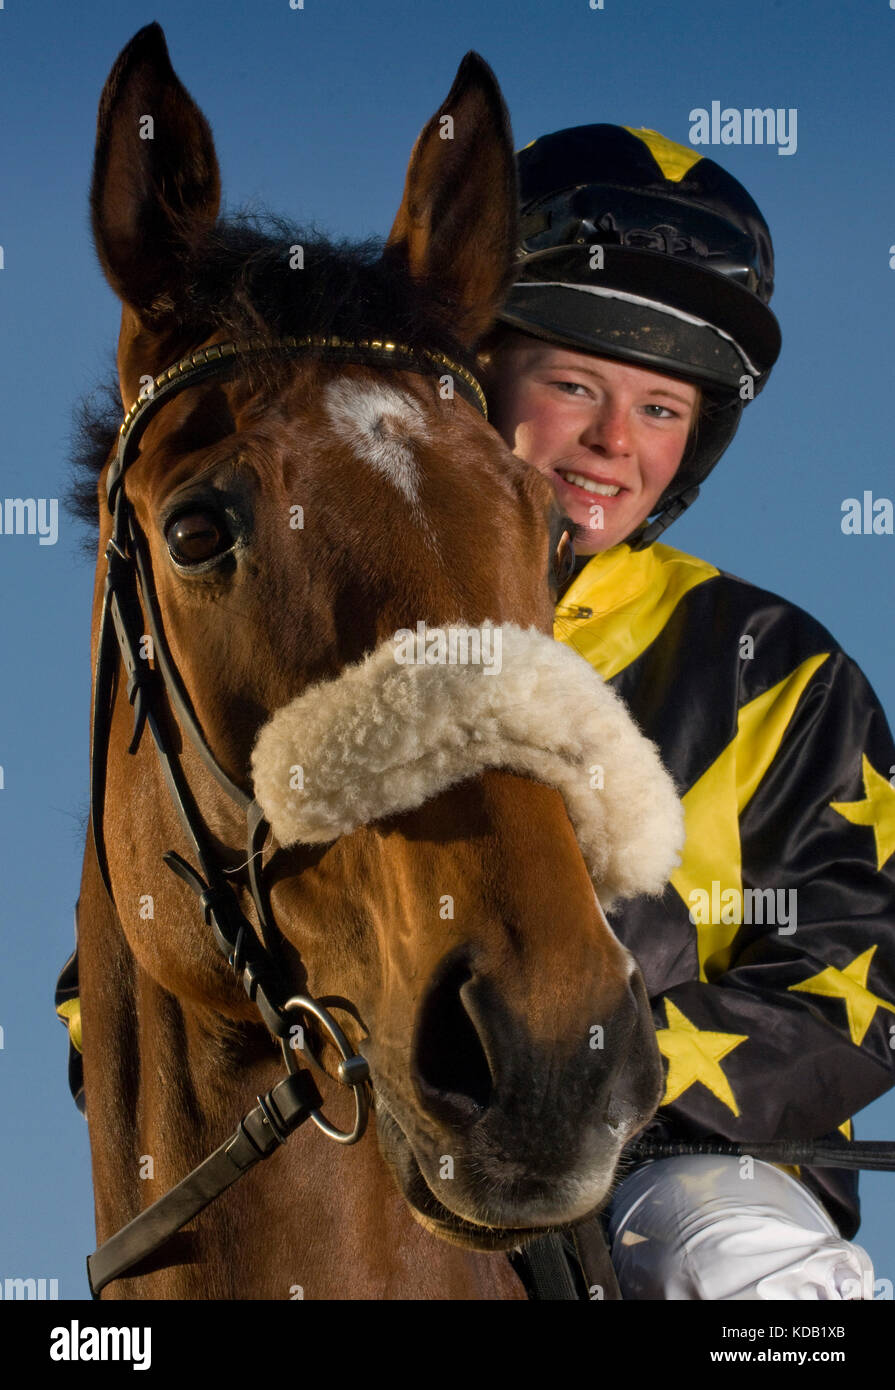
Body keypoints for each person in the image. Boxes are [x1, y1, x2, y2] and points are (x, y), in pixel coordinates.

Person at [479, 124, 895, 1300]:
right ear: (476, 373)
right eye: (573, 386)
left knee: (754, 1282)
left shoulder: (778, 668)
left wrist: (603, 1075)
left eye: (663, 409)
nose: (616, 442)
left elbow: (860, 963)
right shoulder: (351, 626)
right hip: (358, 1134)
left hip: (675, 1157)